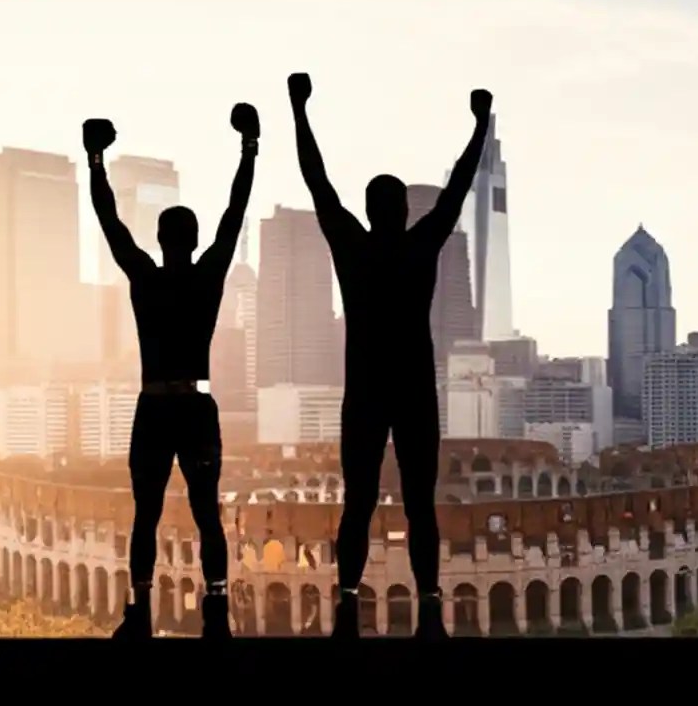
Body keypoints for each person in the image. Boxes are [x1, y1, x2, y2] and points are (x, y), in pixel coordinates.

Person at [287, 72, 492, 640]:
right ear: (402, 208)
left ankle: (347, 608)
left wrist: (298, 110)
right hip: (414, 391)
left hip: (367, 392)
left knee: (357, 502)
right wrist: (478, 126)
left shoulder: (352, 247)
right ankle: (430, 610)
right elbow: (458, 192)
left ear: (369, 208)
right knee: (420, 504)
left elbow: (317, 181)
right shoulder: (420, 245)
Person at [83, 102, 260, 639]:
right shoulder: (208, 276)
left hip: (154, 406)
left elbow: (109, 221)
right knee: (208, 512)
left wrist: (95, 160)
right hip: (196, 407)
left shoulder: (145, 276)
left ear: (160, 239)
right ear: (193, 237)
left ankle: (139, 614)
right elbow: (235, 212)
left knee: (147, 514)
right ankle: (216, 615)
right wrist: (249, 148)